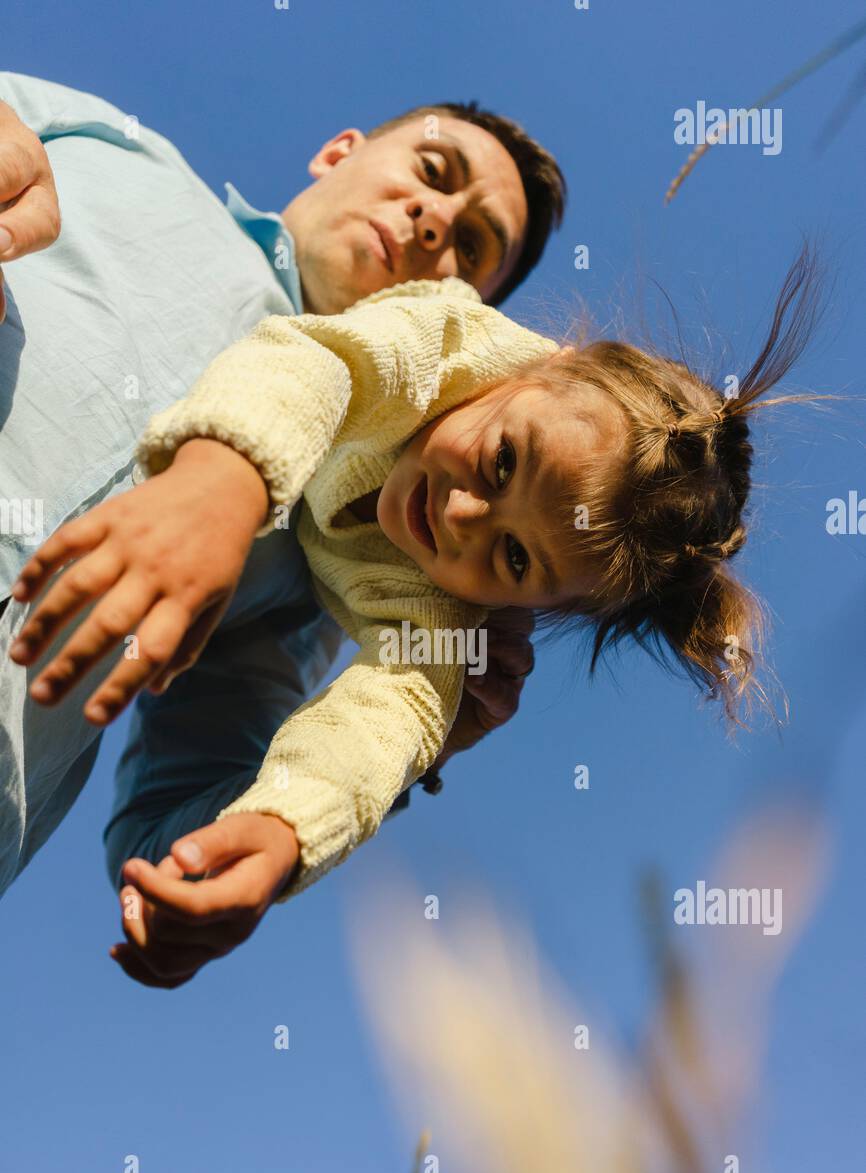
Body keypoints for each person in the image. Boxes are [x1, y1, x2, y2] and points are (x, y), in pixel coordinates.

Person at [10, 247, 822, 988]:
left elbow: (394, 707)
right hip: (239, 473)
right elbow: (320, 365)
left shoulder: (448, 604)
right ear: (544, 368)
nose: (464, 515)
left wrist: (282, 828)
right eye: (504, 460)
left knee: (187, 827)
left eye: (514, 558)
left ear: (531, 608)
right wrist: (225, 485)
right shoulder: (445, 339)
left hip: (292, 605)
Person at [0, 75, 566, 928]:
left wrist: (391, 763)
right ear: (340, 152)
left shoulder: (320, 560)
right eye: (434, 170)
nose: (435, 221)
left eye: (474, 246)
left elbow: (166, 838)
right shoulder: (111, 141)